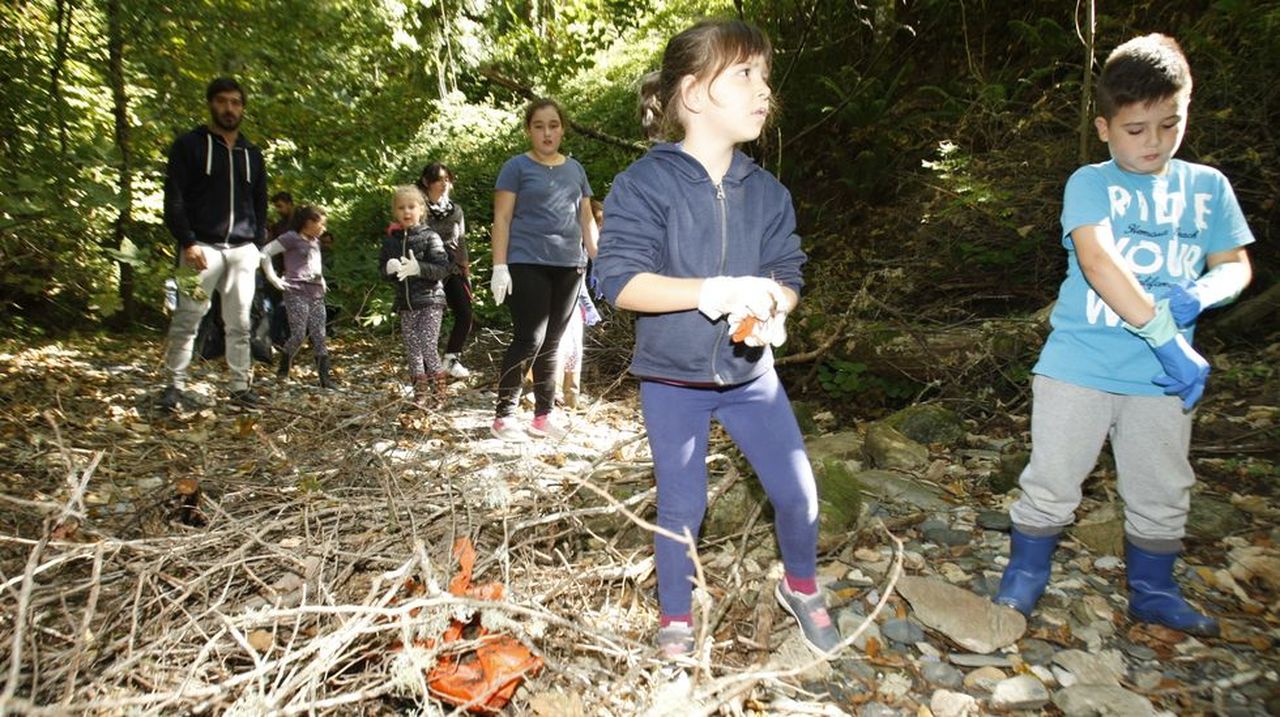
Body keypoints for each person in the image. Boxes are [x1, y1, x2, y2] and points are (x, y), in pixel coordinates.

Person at [593, 19, 840, 658]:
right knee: (683, 505)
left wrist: (773, 304)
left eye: (764, 74)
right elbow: (616, 281)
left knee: (799, 493)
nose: (765, 90)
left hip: (751, 378)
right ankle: (675, 620)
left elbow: (788, 271)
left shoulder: (768, 192)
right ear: (696, 93)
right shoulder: (644, 184)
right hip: (673, 380)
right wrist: (712, 291)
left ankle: (801, 584)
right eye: (746, 74)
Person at [994, 34, 1254, 637]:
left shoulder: (1208, 186)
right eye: (1137, 130)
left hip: (1161, 380)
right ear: (1106, 127)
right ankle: (1023, 580)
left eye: (1170, 124)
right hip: (1078, 365)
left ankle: (1155, 591)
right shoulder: (1090, 182)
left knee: (1163, 485)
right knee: (1053, 477)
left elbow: (1235, 263)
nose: (1155, 143)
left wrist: (1204, 293)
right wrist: (1166, 333)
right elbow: (1099, 261)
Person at [489, 98, 598, 441]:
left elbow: (585, 219)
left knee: (554, 343)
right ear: (529, 130)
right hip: (526, 261)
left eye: (553, 125)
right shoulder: (516, 167)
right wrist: (499, 266)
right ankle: (504, 416)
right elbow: (502, 219)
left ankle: (542, 416)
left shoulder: (575, 169)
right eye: (539, 126)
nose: (547, 133)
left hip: (569, 265)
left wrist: (600, 259)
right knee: (530, 338)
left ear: (562, 128)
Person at [159, 76, 268, 411]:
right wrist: (187, 242)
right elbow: (174, 200)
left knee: (240, 322)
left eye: (235, 102)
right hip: (199, 250)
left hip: (241, 252)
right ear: (210, 104)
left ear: (243, 108)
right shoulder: (189, 146)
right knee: (188, 317)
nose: (229, 108)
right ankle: (174, 386)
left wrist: (256, 245)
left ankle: (239, 387)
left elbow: (259, 203)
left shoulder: (252, 154)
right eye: (222, 101)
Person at [381, 185, 455, 409]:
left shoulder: (430, 236)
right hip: (406, 303)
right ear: (395, 211)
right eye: (401, 207)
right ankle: (420, 394)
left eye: (411, 206)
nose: (407, 212)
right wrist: (389, 269)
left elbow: (443, 268)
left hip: (431, 299)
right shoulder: (391, 241)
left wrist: (419, 268)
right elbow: (384, 273)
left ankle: (439, 393)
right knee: (412, 348)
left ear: (421, 209)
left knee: (427, 344)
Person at [259, 205, 332, 388]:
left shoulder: (315, 241)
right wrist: (273, 278)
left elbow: (315, 263)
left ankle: (325, 379)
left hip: (316, 292)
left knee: (319, 333)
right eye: (321, 224)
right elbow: (265, 252)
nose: (324, 229)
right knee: (299, 333)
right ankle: (284, 368)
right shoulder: (290, 238)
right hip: (296, 290)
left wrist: (321, 279)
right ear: (308, 223)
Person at [417, 163, 474, 378]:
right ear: (426, 182)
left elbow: (460, 241)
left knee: (465, 313)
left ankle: (451, 358)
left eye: (447, 179)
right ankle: (423, 366)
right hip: (426, 268)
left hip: (452, 268)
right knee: (430, 316)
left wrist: (465, 268)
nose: (444, 183)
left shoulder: (455, 210)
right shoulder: (417, 207)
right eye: (439, 179)